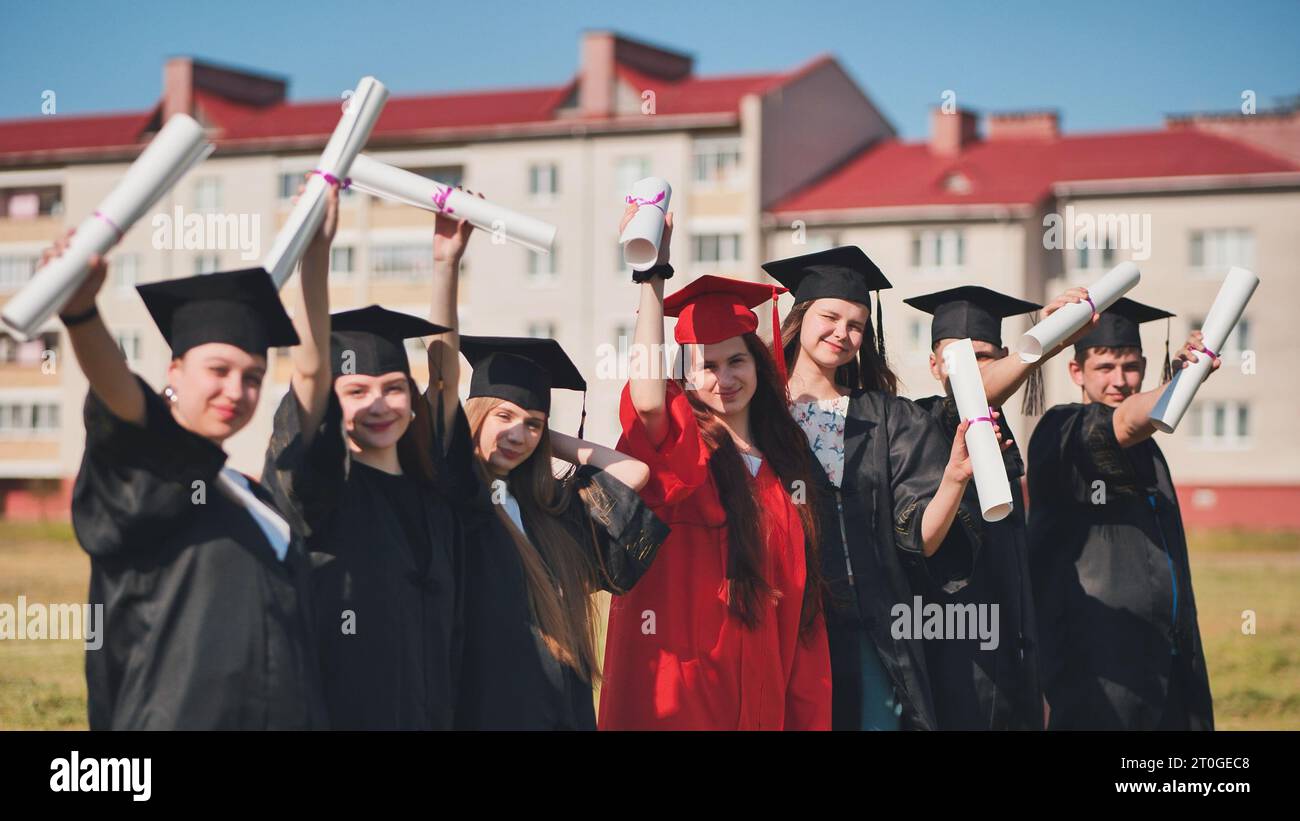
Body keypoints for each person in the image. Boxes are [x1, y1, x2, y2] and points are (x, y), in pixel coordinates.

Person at [52, 230, 326, 729]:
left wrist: (318, 247)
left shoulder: (254, 500)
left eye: (252, 376)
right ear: (174, 370)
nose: (235, 390)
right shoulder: (149, 467)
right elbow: (118, 390)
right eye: (217, 370)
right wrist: (82, 315)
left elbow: (313, 375)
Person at [600, 204, 832, 730]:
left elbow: (802, 617)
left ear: (759, 365)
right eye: (707, 365)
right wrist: (651, 276)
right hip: (684, 695)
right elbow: (649, 401)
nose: (723, 378)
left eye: (737, 361)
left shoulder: (787, 466)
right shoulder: (681, 447)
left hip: (763, 697)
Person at [261, 181, 469, 729]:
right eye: (356, 391)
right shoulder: (322, 492)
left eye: (394, 387)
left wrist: (444, 264)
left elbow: (445, 381)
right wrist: (317, 252)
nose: (379, 403)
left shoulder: (435, 492)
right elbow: (307, 373)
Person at [764, 246, 998, 730]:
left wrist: (954, 477)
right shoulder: (761, 416)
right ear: (801, 317)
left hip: (872, 628)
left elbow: (921, 541)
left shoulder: (888, 417)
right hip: (784, 626)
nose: (843, 333)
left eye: (856, 325)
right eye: (831, 316)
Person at [447, 336, 669, 730]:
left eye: (533, 424)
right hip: (487, 703)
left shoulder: (546, 513)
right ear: (475, 414)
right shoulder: (456, 505)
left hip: (558, 701)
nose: (519, 434)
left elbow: (634, 473)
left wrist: (547, 438)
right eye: (503, 416)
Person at [902, 284, 1092, 730]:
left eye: (983, 357)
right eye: (954, 358)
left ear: (1005, 355)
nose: (968, 369)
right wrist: (1048, 341)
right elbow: (969, 398)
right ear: (933, 366)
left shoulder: (1004, 438)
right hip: (954, 665)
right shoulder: (920, 422)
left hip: (1015, 665)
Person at [1028, 298, 1216, 730]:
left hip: (1168, 655)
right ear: (1077, 371)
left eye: (1130, 367)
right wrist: (1184, 381)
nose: (1119, 380)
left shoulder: (1149, 450)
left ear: (1145, 367)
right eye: (1105, 367)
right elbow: (1125, 422)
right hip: (1099, 659)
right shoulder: (1061, 430)